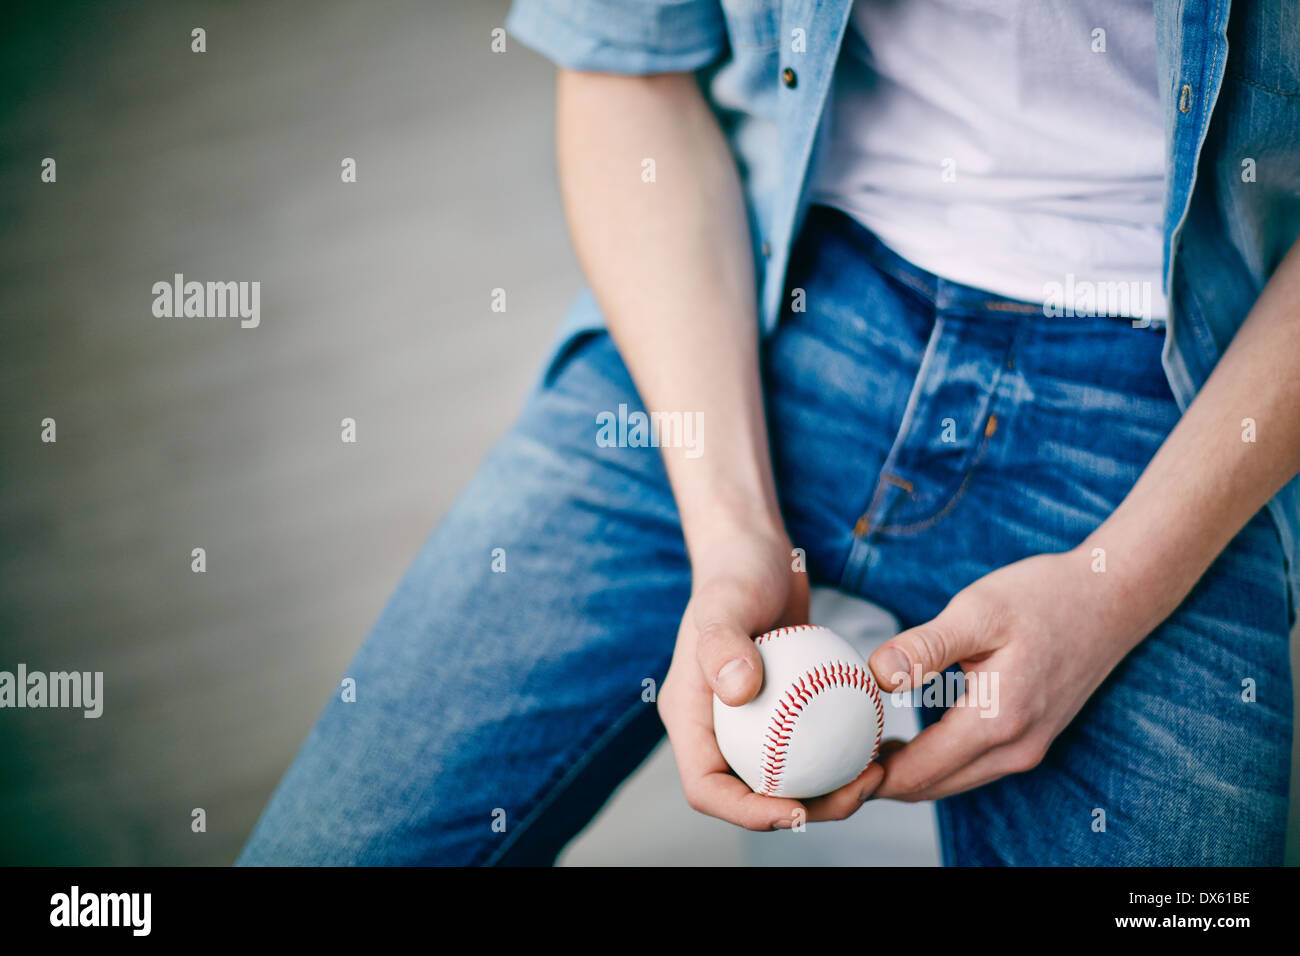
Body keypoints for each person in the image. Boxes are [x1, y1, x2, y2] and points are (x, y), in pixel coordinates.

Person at [237, 0, 1300, 865]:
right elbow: (625, 67)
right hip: (758, 297)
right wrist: (730, 524)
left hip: (1179, 397)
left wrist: (1118, 586)